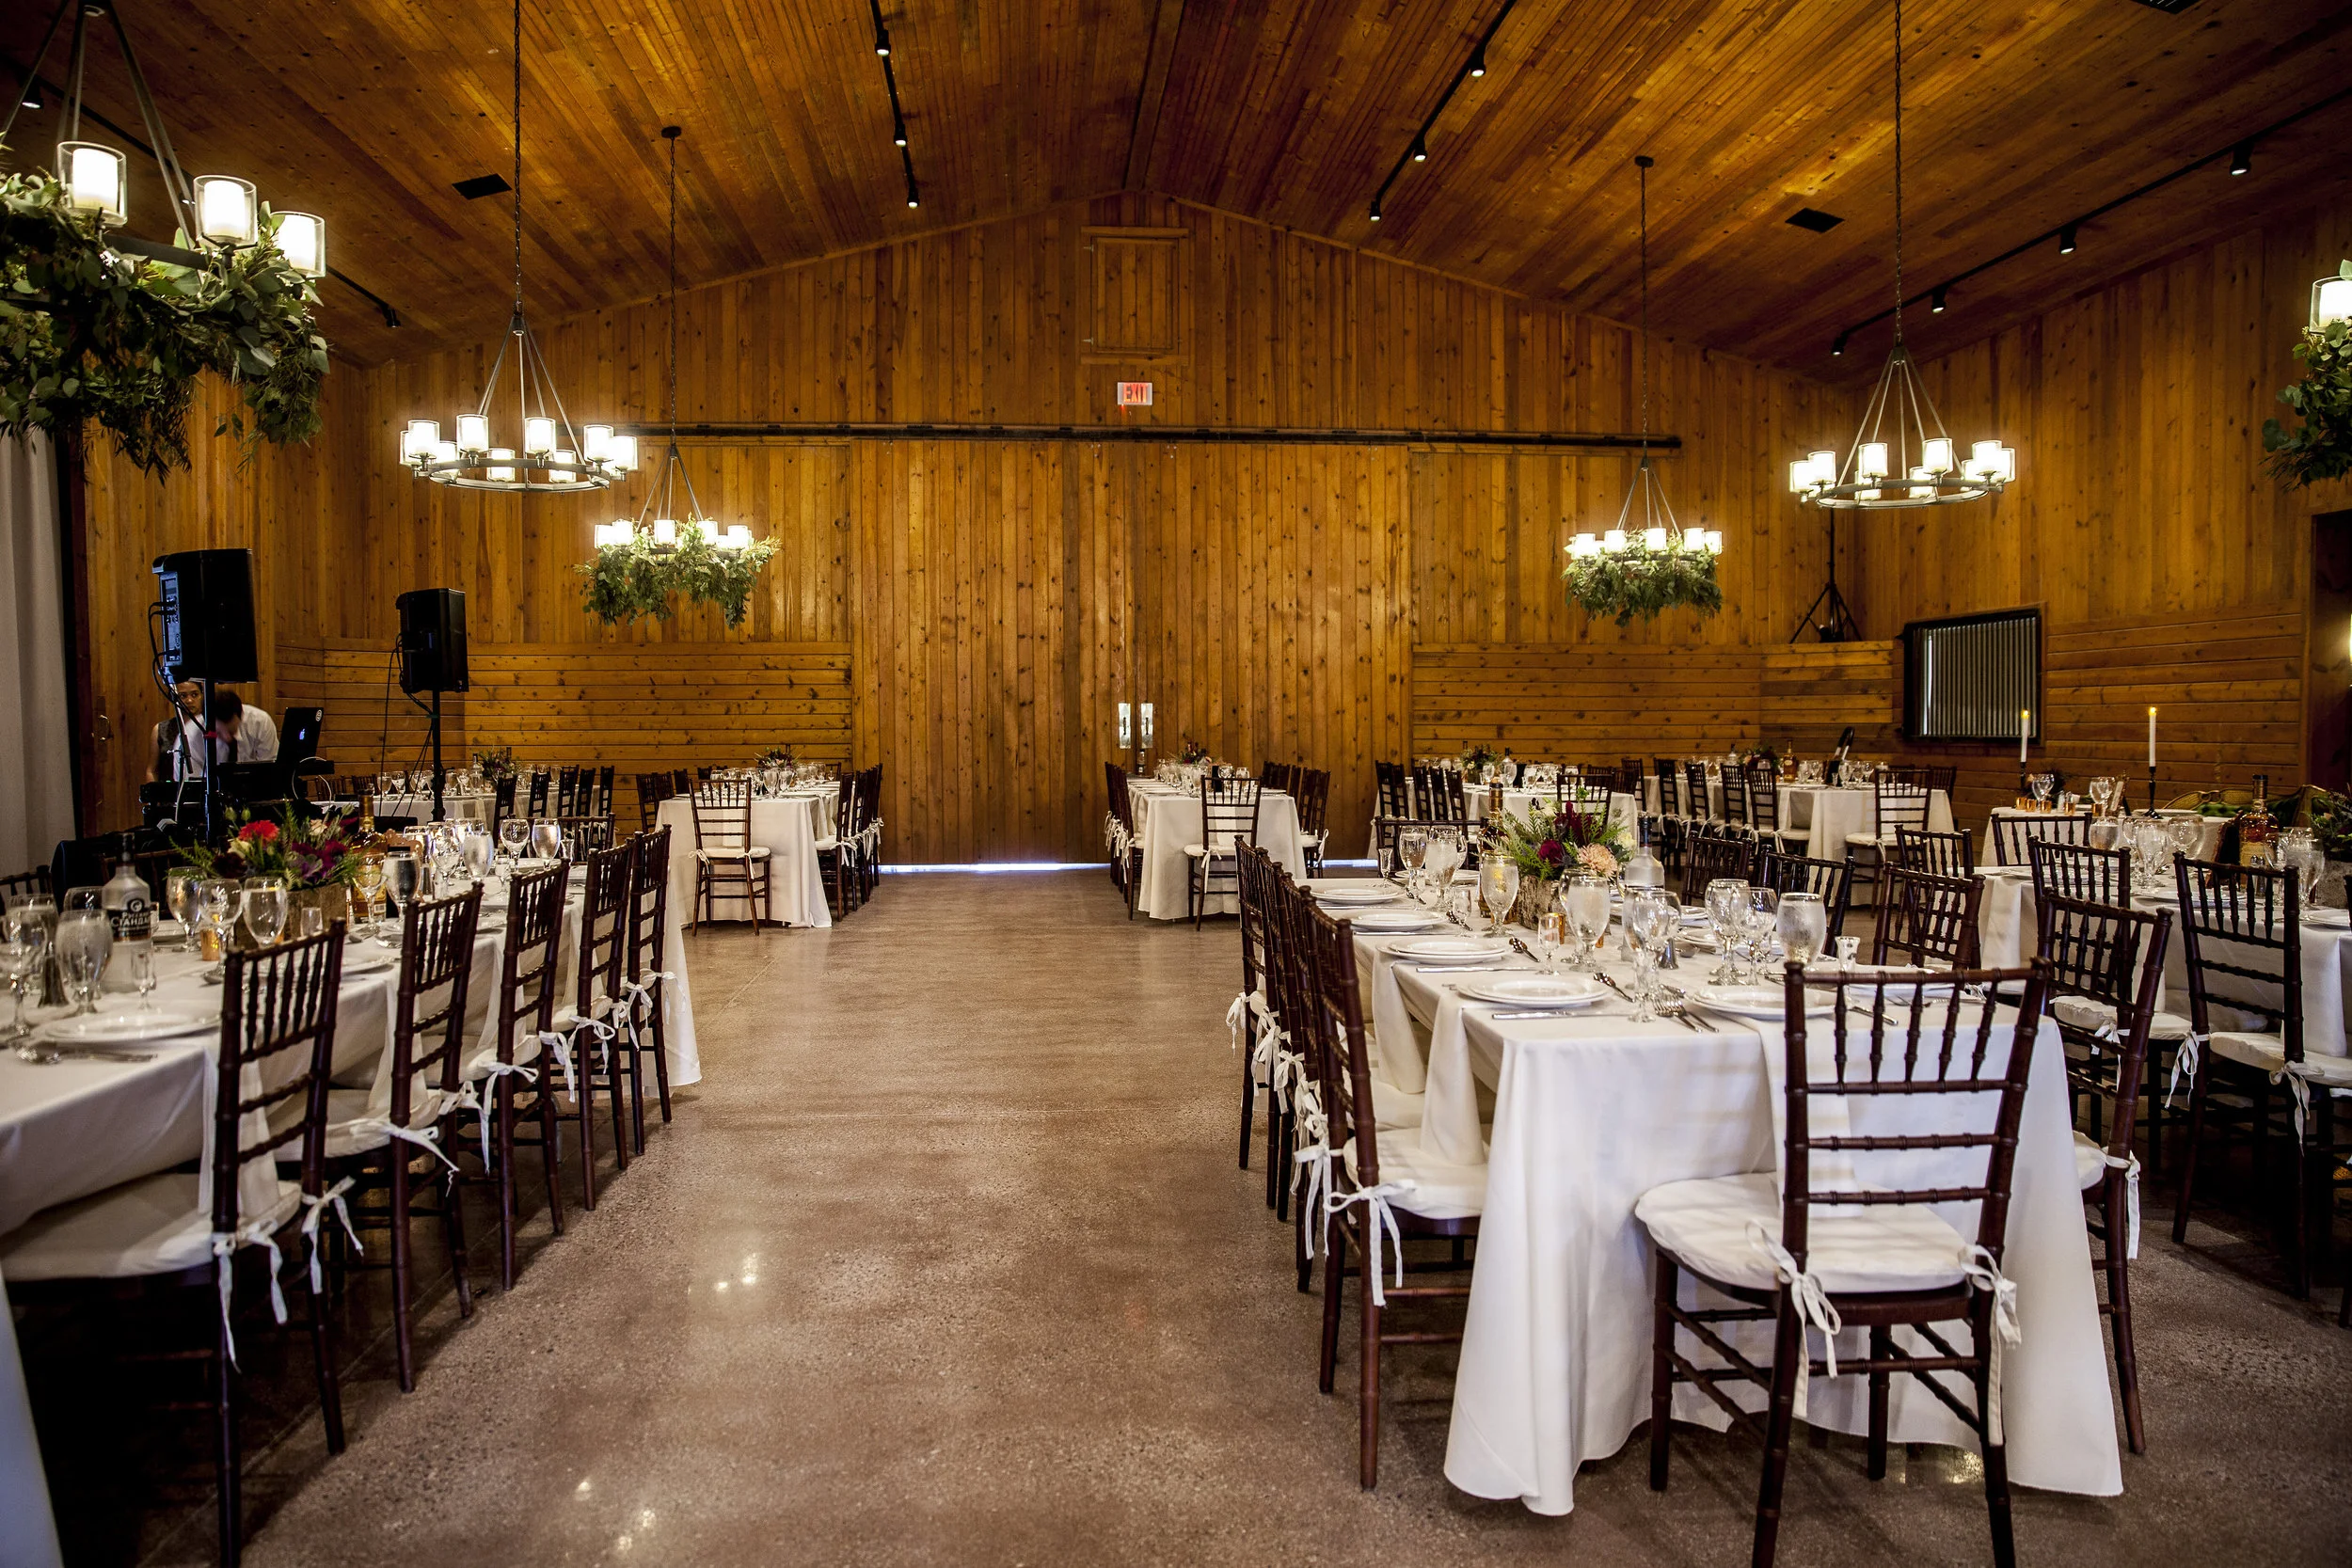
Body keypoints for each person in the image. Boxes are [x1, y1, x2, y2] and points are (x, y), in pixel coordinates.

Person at [147, 679, 204, 782]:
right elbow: (152, 770)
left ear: (202, 696)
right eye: (183, 696)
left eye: (195, 695)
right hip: (168, 793)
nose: (189, 700)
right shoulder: (161, 729)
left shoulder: (211, 727)